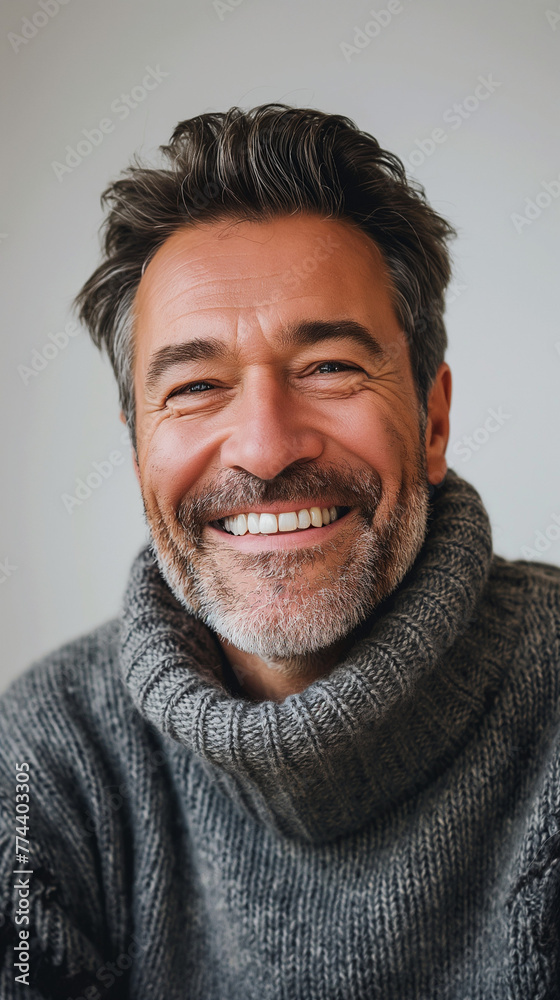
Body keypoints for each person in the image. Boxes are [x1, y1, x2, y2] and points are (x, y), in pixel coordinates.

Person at [1, 104, 559, 1000]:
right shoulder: (43, 762)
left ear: (433, 420)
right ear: (139, 451)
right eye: (196, 386)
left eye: (330, 367)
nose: (265, 449)